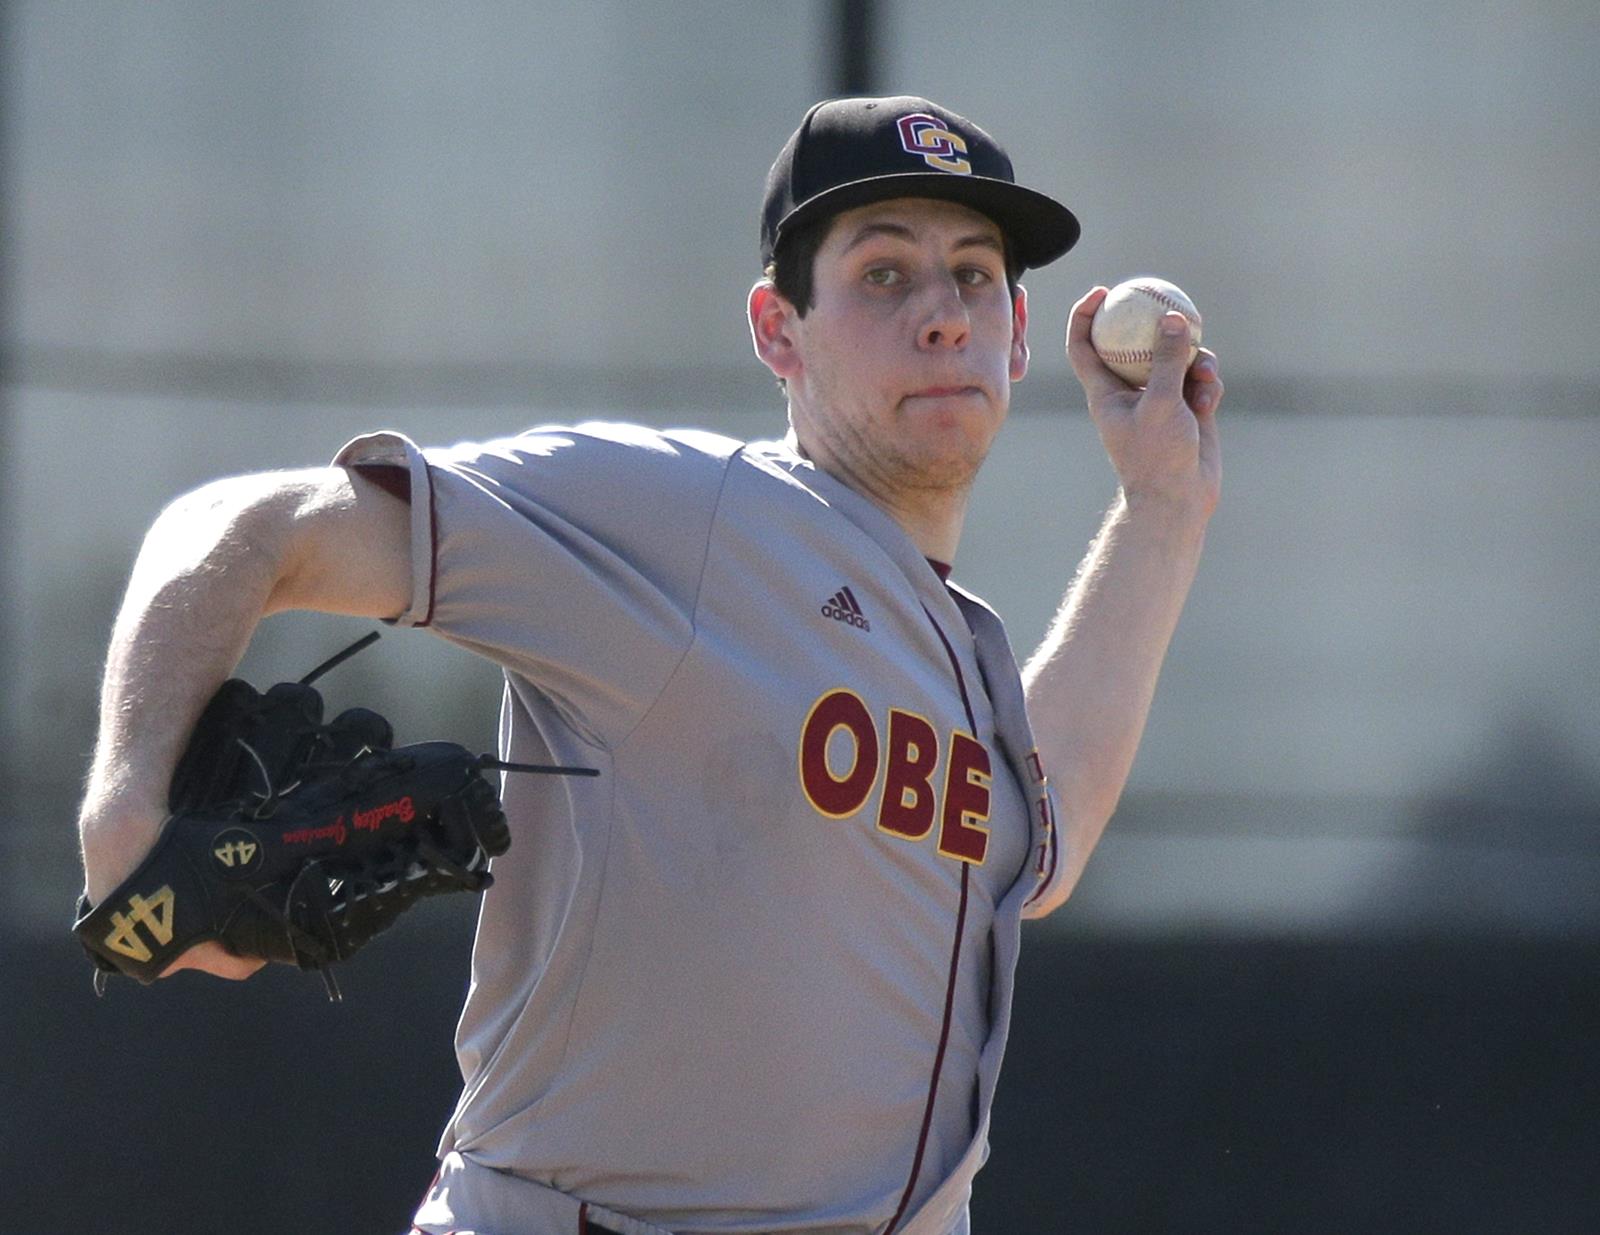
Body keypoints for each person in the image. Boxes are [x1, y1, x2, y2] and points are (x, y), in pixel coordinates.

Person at [76, 95, 1222, 1235]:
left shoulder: (955, 653)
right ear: (779, 329)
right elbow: (252, 520)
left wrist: (1163, 503)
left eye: (975, 275)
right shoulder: (686, 519)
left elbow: (1042, 827)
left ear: (1018, 333)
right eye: (884, 274)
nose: (942, 314)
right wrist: (128, 791)